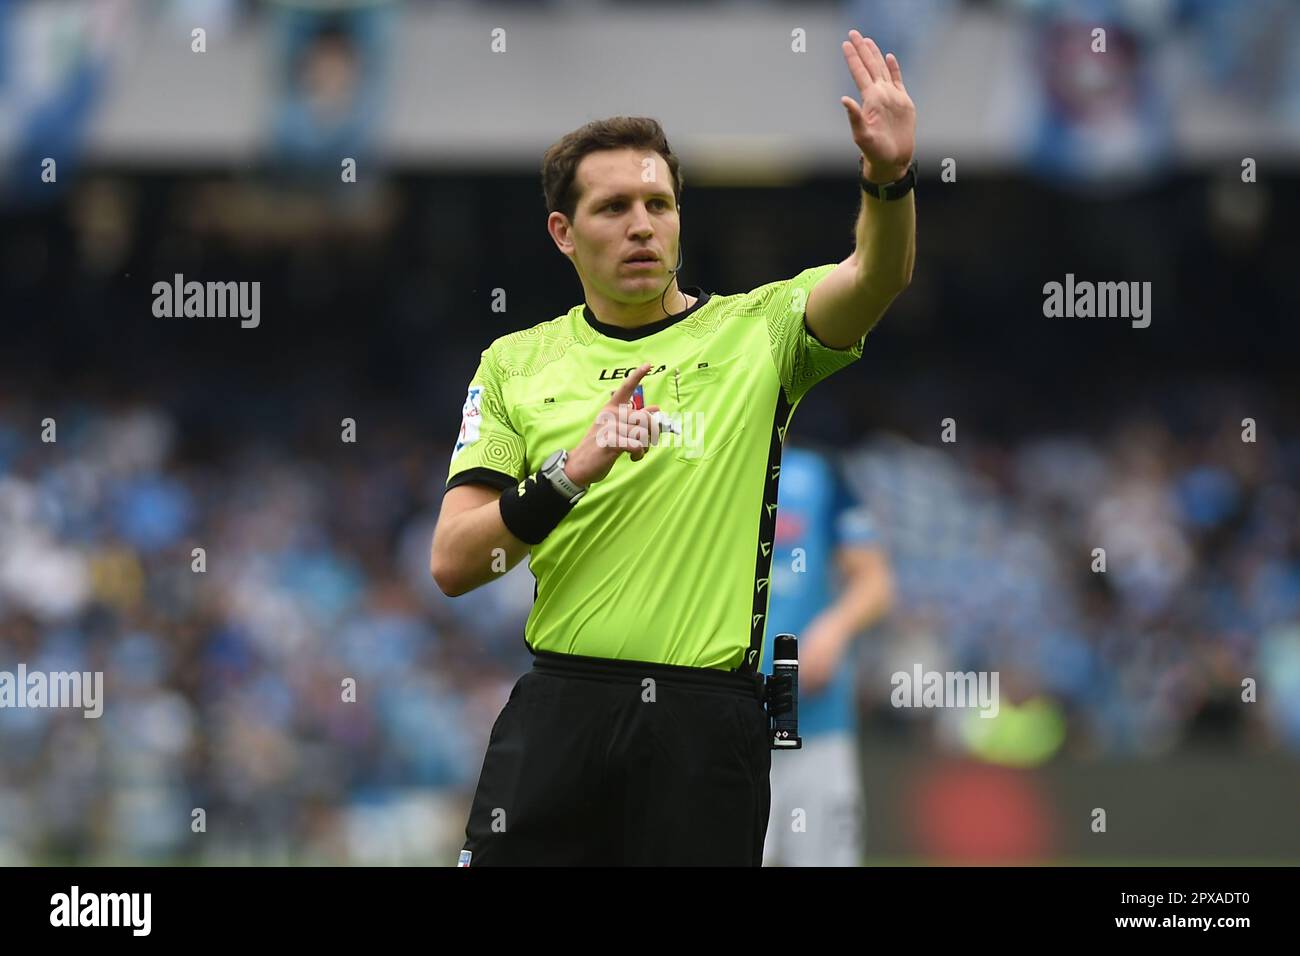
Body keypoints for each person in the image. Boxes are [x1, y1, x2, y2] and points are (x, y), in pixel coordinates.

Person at [430, 30, 916, 866]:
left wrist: (888, 179)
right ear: (563, 232)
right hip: (562, 707)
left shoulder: (758, 332)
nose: (642, 226)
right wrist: (569, 473)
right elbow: (456, 563)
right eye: (613, 209)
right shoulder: (514, 365)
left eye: (658, 205)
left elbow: (877, 277)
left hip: (707, 724)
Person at [760, 442, 894, 867]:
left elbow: (875, 583)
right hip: (726, 721)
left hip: (813, 721)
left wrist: (832, 630)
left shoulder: (819, 477)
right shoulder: (699, 470)